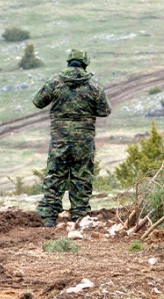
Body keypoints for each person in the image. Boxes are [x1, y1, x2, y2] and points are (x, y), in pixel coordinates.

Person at [34, 49, 111, 227]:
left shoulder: (55, 82)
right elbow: (105, 111)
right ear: (85, 63)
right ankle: (80, 215)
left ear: (68, 62)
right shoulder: (94, 87)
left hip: (59, 138)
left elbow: (38, 102)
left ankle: (48, 215)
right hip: (83, 140)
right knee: (82, 175)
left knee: (55, 174)